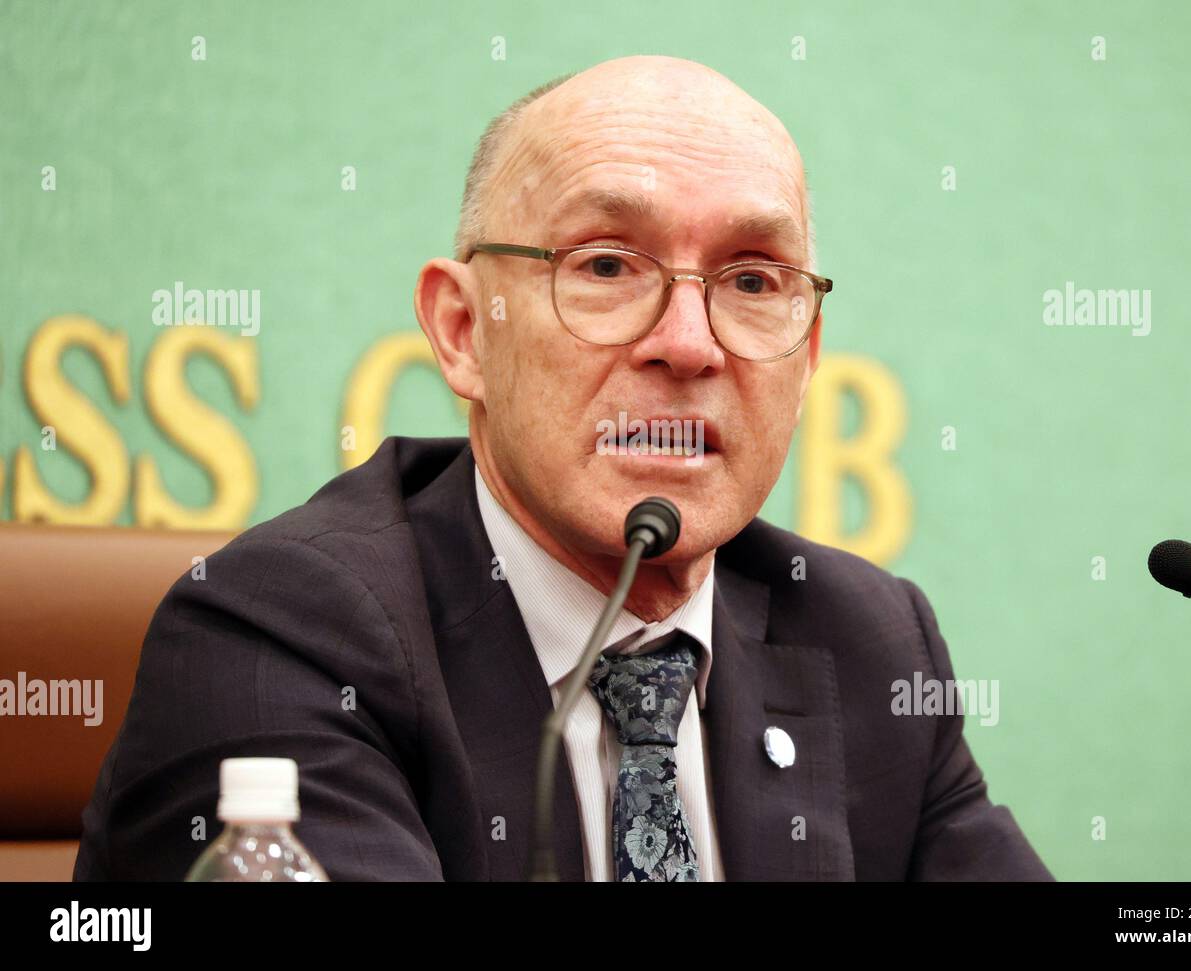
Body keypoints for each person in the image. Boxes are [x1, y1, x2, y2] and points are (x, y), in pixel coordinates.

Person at [75, 55, 1051, 881]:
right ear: (462, 332)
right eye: (604, 264)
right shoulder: (277, 633)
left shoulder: (868, 640)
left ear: (806, 354)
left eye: (752, 280)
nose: (687, 343)